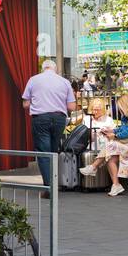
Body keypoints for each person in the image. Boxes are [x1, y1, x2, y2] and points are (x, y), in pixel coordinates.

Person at [21, 58, 76, 194]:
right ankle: (53, 182)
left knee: (43, 152)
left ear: (43, 68)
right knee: (53, 151)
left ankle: (49, 187)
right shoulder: (64, 82)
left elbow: (26, 104)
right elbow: (71, 106)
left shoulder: (33, 80)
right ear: (55, 69)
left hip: (40, 118)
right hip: (59, 119)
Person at [86, 94, 128, 197]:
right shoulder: (127, 117)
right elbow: (123, 128)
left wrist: (114, 136)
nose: (119, 110)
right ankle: (116, 185)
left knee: (112, 145)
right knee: (111, 158)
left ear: (126, 106)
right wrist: (111, 130)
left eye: (120, 108)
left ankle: (93, 167)